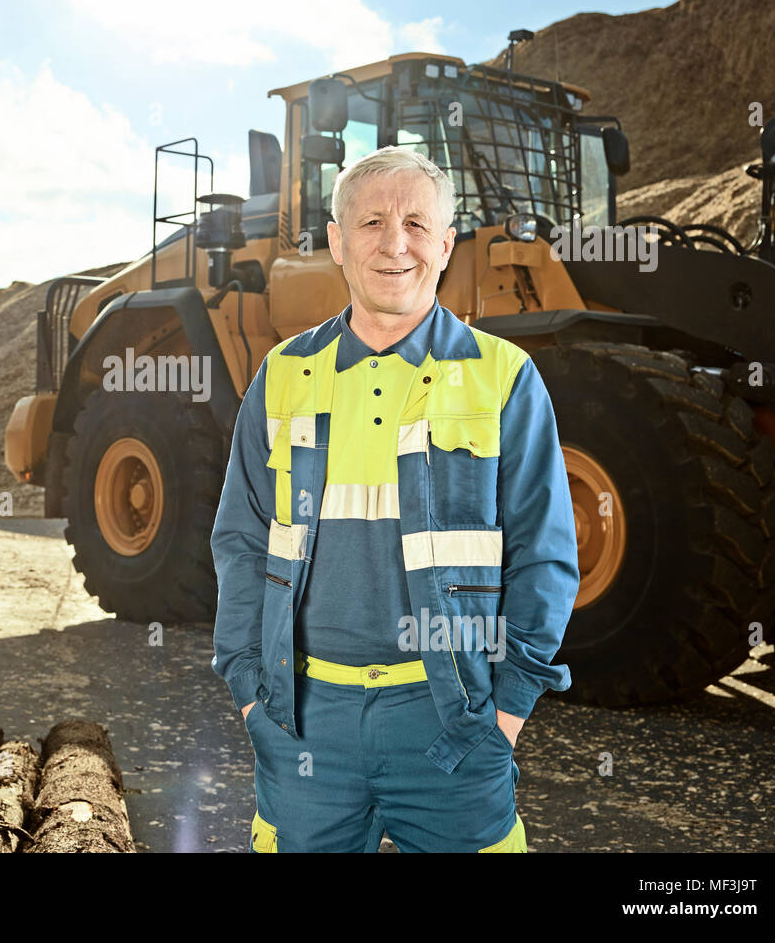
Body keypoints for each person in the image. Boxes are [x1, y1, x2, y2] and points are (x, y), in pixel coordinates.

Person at [210, 145, 580, 852]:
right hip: (304, 726)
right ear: (337, 243)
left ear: (445, 246)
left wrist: (506, 711)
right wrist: (252, 693)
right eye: (373, 221)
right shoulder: (283, 375)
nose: (395, 242)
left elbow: (546, 555)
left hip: (452, 721)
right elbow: (241, 539)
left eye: (417, 223)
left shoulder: (503, 376)